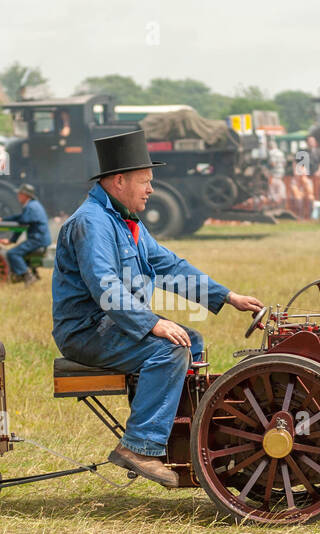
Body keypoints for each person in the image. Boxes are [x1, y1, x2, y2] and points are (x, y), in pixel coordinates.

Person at [52, 129, 263, 487]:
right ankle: (138, 448)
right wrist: (151, 323)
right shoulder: (91, 223)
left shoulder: (124, 221)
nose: (151, 189)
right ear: (119, 181)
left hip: (110, 324)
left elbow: (170, 267)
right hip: (85, 331)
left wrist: (228, 297)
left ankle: (183, 439)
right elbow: (106, 288)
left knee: (191, 341)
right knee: (169, 349)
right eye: (145, 181)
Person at [0, 183, 51, 286]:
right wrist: (2, 219)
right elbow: (20, 218)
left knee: (12, 253)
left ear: (25, 195)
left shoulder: (31, 207)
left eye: (19, 194)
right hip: (40, 239)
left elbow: (22, 224)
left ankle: (27, 275)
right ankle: (31, 272)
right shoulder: (33, 205)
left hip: (37, 240)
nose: (18, 196)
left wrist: (11, 240)